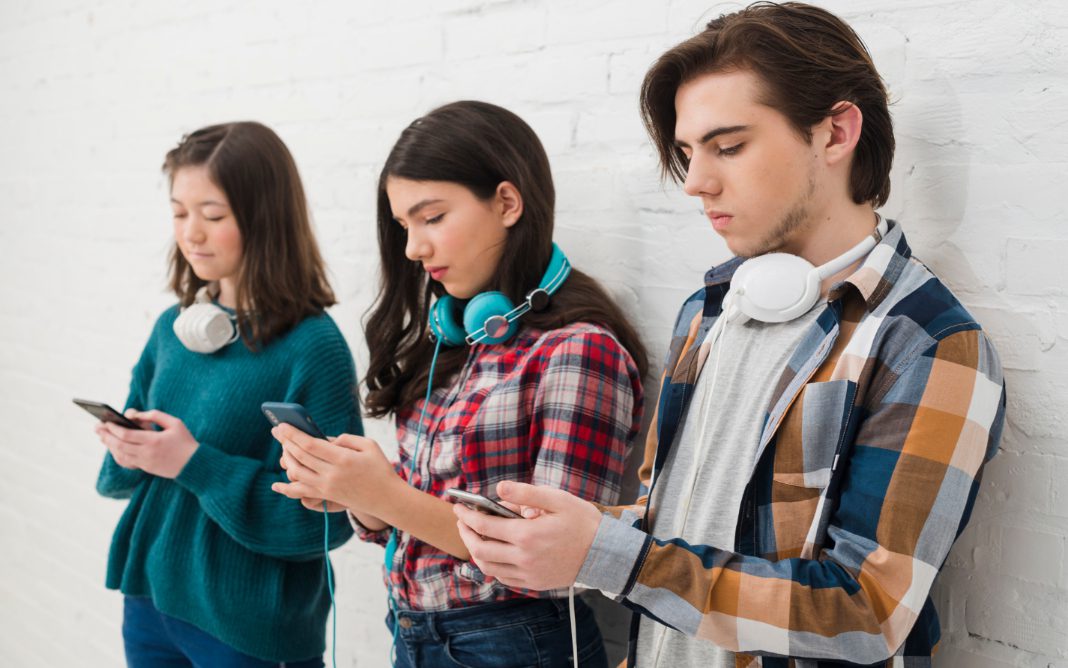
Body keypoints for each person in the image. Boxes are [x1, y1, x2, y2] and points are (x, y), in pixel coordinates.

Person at [453, 3, 1007, 667]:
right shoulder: (711, 310)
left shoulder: (927, 345)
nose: (695, 183)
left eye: (729, 146)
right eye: (688, 152)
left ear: (835, 133)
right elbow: (680, 530)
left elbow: (867, 614)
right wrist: (578, 537)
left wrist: (614, 557)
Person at [270, 100, 647, 668]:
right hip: (413, 632)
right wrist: (360, 495)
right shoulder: (453, 338)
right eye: (404, 226)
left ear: (507, 202)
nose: (412, 248)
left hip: (516, 645)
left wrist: (384, 494)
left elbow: (560, 564)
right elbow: (420, 516)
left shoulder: (580, 351)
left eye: (432, 217)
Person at [94, 121, 363, 667]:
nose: (191, 233)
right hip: (151, 602)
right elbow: (126, 479)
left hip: (248, 630)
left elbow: (328, 517)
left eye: (213, 215)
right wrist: (130, 448)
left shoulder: (313, 348)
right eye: (179, 212)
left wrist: (194, 463)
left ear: (263, 218)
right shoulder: (175, 329)